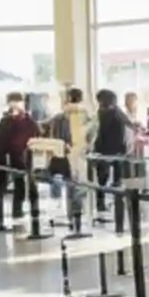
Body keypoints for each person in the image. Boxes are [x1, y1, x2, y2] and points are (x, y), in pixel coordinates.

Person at [0, 91, 40, 219]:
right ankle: (7, 214)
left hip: (25, 157)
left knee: (29, 186)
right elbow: (0, 139)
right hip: (7, 158)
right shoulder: (6, 121)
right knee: (8, 186)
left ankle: (28, 211)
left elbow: (36, 136)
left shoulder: (29, 121)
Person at [46, 87, 93, 217]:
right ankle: (77, 213)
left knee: (69, 183)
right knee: (79, 184)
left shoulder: (59, 118)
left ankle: (70, 213)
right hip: (80, 154)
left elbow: (54, 136)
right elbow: (90, 136)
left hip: (64, 152)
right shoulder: (86, 116)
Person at [91, 89, 131, 211]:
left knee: (102, 179)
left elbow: (94, 133)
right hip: (117, 149)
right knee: (117, 179)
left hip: (102, 150)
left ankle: (101, 203)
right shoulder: (117, 112)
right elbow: (127, 125)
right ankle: (117, 204)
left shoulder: (98, 114)